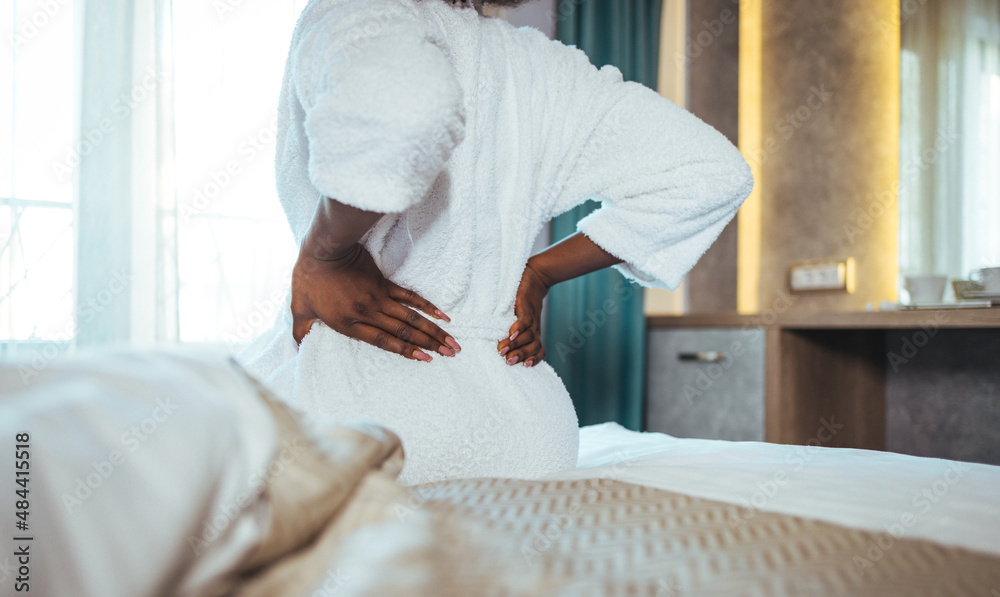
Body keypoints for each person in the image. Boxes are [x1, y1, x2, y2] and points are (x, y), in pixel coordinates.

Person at [242, 0, 753, 486]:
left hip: (374, 411)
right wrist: (542, 271)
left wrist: (327, 256)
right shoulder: (546, 70)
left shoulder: (359, 14)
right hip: (531, 432)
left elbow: (400, 107)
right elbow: (713, 172)